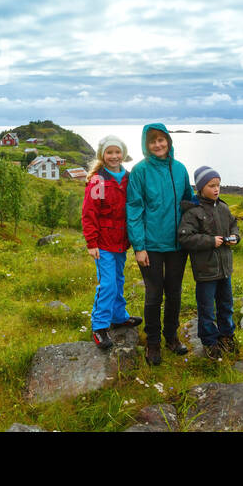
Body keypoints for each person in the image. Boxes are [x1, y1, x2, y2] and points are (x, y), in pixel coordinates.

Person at [126, 123, 195, 365]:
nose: (158, 144)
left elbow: (189, 200)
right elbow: (134, 209)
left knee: (174, 294)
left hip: (178, 244)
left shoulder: (179, 169)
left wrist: (212, 200)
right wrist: (139, 247)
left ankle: (171, 337)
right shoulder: (140, 171)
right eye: (152, 141)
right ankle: (153, 343)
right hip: (151, 246)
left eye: (161, 140)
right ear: (146, 145)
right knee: (154, 295)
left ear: (168, 141)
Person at [80, 135, 142, 348]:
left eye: (118, 152)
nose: (114, 156)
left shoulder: (129, 178)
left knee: (118, 280)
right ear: (102, 155)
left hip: (121, 240)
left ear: (123, 154)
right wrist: (91, 242)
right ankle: (99, 326)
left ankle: (118, 317)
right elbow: (89, 213)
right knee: (107, 284)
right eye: (109, 152)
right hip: (103, 243)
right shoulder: (98, 180)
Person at [176, 166, 240, 361]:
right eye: (211, 185)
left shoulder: (223, 207)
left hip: (225, 269)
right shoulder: (193, 212)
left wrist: (235, 237)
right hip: (205, 271)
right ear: (201, 188)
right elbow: (185, 237)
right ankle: (209, 342)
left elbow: (234, 224)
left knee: (226, 305)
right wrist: (210, 241)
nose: (216, 189)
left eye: (218, 185)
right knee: (206, 309)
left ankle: (227, 335)